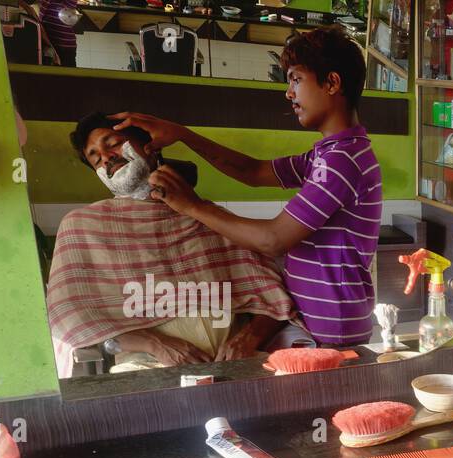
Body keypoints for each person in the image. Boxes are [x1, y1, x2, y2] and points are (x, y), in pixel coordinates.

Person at [110, 26, 382, 348]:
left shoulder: (342, 161)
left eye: (296, 79)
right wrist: (183, 134)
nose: (289, 93)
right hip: (317, 322)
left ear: (332, 83)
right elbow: (253, 171)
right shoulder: (326, 155)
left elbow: (273, 239)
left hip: (333, 331)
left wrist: (193, 206)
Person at [47, 113, 304, 377]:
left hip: (237, 359)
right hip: (149, 365)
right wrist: (156, 344)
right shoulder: (82, 226)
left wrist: (248, 338)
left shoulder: (205, 216)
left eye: (112, 143)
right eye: (95, 156)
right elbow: (72, 318)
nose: (106, 157)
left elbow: (274, 298)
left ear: (149, 147)